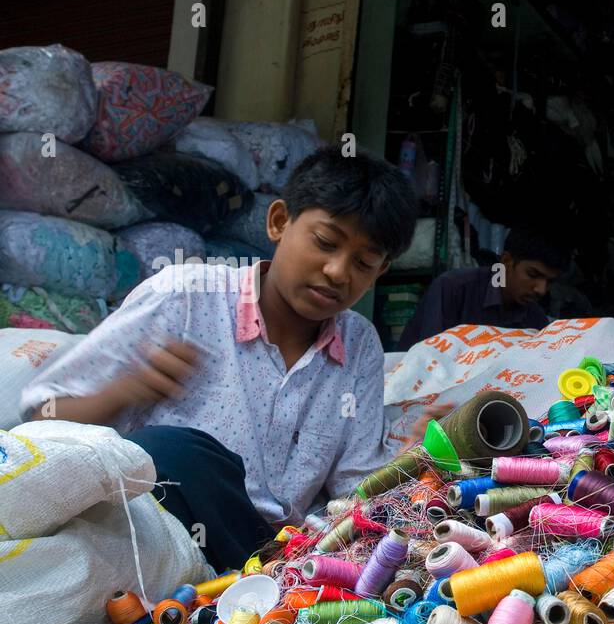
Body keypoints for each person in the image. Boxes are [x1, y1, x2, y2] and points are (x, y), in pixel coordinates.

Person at [20, 147, 440, 572]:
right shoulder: (185, 297)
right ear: (278, 222)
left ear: (380, 270)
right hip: (162, 531)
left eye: (363, 262)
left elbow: (354, 487)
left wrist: (411, 463)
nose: (337, 271)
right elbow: (42, 423)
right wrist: (124, 391)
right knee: (170, 453)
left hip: (278, 555)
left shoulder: (360, 343)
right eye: (325, 243)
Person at [396, 227, 570, 348]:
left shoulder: (535, 318)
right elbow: (429, 360)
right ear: (507, 261)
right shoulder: (453, 288)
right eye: (533, 275)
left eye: (549, 282)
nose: (541, 289)